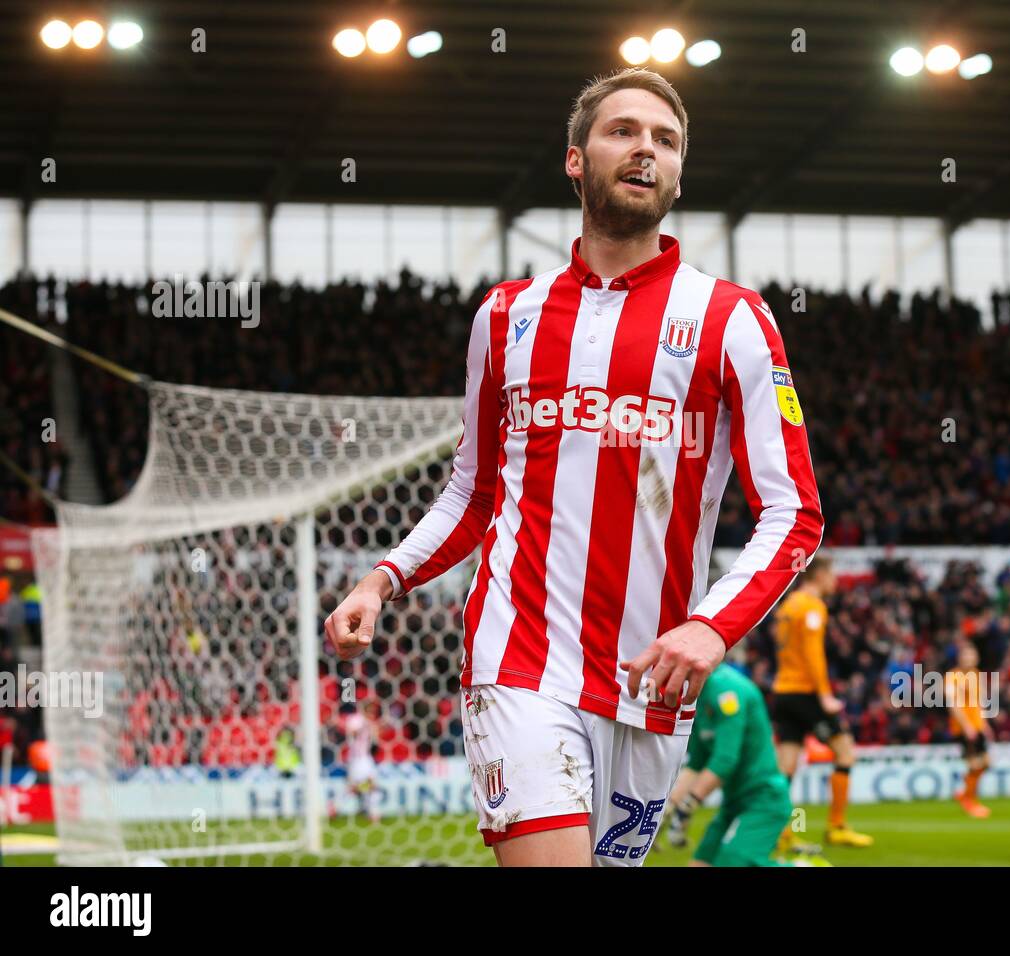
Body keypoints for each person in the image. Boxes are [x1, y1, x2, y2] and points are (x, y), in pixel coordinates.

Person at [324, 68, 823, 867]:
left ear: (679, 175)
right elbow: (474, 490)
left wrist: (710, 625)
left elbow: (795, 511)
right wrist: (382, 578)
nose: (645, 150)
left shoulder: (733, 319)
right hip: (517, 655)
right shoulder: (505, 316)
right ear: (575, 159)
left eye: (665, 140)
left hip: (650, 681)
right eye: (623, 131)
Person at [665, 663, 825, 866]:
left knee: (733, 863)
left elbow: (725, 759)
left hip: (764, 798)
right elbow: (696, 763)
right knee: (699, 864)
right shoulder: (698, 695)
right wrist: (668, 808)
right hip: (733, 801)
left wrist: (688, 804)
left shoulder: (728, 692)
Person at [770, 554, 872, 849]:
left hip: (784, 690)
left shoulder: (788, 605)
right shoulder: (813, 607)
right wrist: (825, 694)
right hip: (805, 692)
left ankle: (779, 833)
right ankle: (837, 827)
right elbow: (813, 655)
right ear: (820, 575)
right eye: (832, 574)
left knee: (786, 764)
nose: (835, 581)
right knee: (845, 753)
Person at [946, 642, 994, 818]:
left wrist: (985, 724)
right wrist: (966, 725)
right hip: (963, 728)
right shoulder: (953, 676)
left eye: (971, 655)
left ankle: (965, 793)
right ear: (960, 658)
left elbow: (979, 704)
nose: (969, 659)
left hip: (977, 726)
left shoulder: (976, 675)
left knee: (986, 763)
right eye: (965, 655)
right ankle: (969, 801)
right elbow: (954, 704)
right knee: (974, 763)